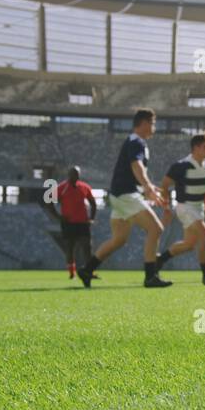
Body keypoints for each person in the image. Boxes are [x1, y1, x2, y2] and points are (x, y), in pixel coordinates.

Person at [77, 108, 170, 288]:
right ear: (143, 123)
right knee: (156, 229)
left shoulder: (134, 142)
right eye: (152, 123)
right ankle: (151, 276)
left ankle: (87, 269)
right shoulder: (137, 142)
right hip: (126, 195)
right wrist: (148, 187)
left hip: (119, 195)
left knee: (119, 239)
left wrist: (147, 188)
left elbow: (133, 171)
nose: (154, 127)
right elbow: (137, 167)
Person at [153, 133, 205, 285]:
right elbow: (164, 184)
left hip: (199, 207)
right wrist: (166, 205)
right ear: (195, 148)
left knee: (189, 244)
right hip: (185, 206)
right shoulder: (181, 166)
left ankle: (159, 260)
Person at [53, 166, 97, 279]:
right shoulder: (61, 187)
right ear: (69, 175)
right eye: (73, 174)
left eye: (77, 174)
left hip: (82, 222)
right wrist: (57, 216)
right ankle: (72, 272)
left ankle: (89, 271)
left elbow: (93, 203)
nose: (75, 176)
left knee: (87, 247)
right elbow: (48, 201)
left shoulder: (85, 187)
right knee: (70, 248)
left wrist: (91, 218)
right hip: (68, 222)